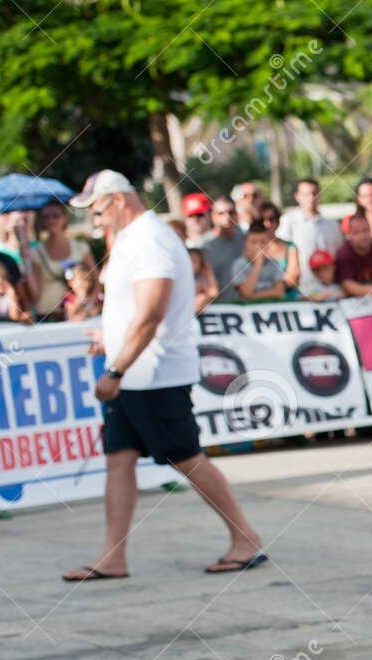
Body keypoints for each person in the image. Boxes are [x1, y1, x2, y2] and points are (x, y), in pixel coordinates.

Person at [61, 170, 266, 582]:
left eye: (98, 210)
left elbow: (153, 313)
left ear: (119, 199)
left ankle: (246, 539)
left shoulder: (150, 240)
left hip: (153, 373)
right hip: (136, 372)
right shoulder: (131, 240)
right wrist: (111, 338)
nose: (96, 220)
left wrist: (116, 369)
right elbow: (136, 309)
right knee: (119, 459)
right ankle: (112, 556)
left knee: (186, 457)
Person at [27, 200, 95, 320]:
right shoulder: (36, 252)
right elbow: (35, 295)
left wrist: (88, 305)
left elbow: (96, 280)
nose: (51, 221)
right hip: (46, 316)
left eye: (55, 216)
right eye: (46, 217)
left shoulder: (80, 247)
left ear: (65, 218)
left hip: (76, 315)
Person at [277, 179, 342, 264]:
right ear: (297, 196)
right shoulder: (288, 221)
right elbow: (280, 252)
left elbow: (339, 254)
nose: (311, 197)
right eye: (306, 194)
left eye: (314, 193)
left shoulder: (333, 225)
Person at [334, 213, 372, 299]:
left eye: (365, 230)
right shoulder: (343, 253)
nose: (363, 236)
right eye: (356, 232)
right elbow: (347, 285)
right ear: (348, 235)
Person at [233, 218, 295, 301]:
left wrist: (253, 296)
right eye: (254, 242)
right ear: (246, 243)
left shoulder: (274, 263)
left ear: (268, 243)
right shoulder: (239, 265)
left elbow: (279, 292)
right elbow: (246, 293)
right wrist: (258, 264)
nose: (258, 246)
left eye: (262, 242)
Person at [201, 196, 247, 301]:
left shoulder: (248, 240)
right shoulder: (202, 246)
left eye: (231, 212)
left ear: (237, 215)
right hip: (218, 308)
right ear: (213, 216)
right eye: (221, 213)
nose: (227, 217)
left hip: (248, 306)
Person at [187, 248, 219, 313]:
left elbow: (214, 293)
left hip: (197, 311)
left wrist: (209, 272)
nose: (192, 264)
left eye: (195, 261)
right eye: (189, 260)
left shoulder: (203, 276)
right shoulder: (179, 277)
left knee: (201, 297)